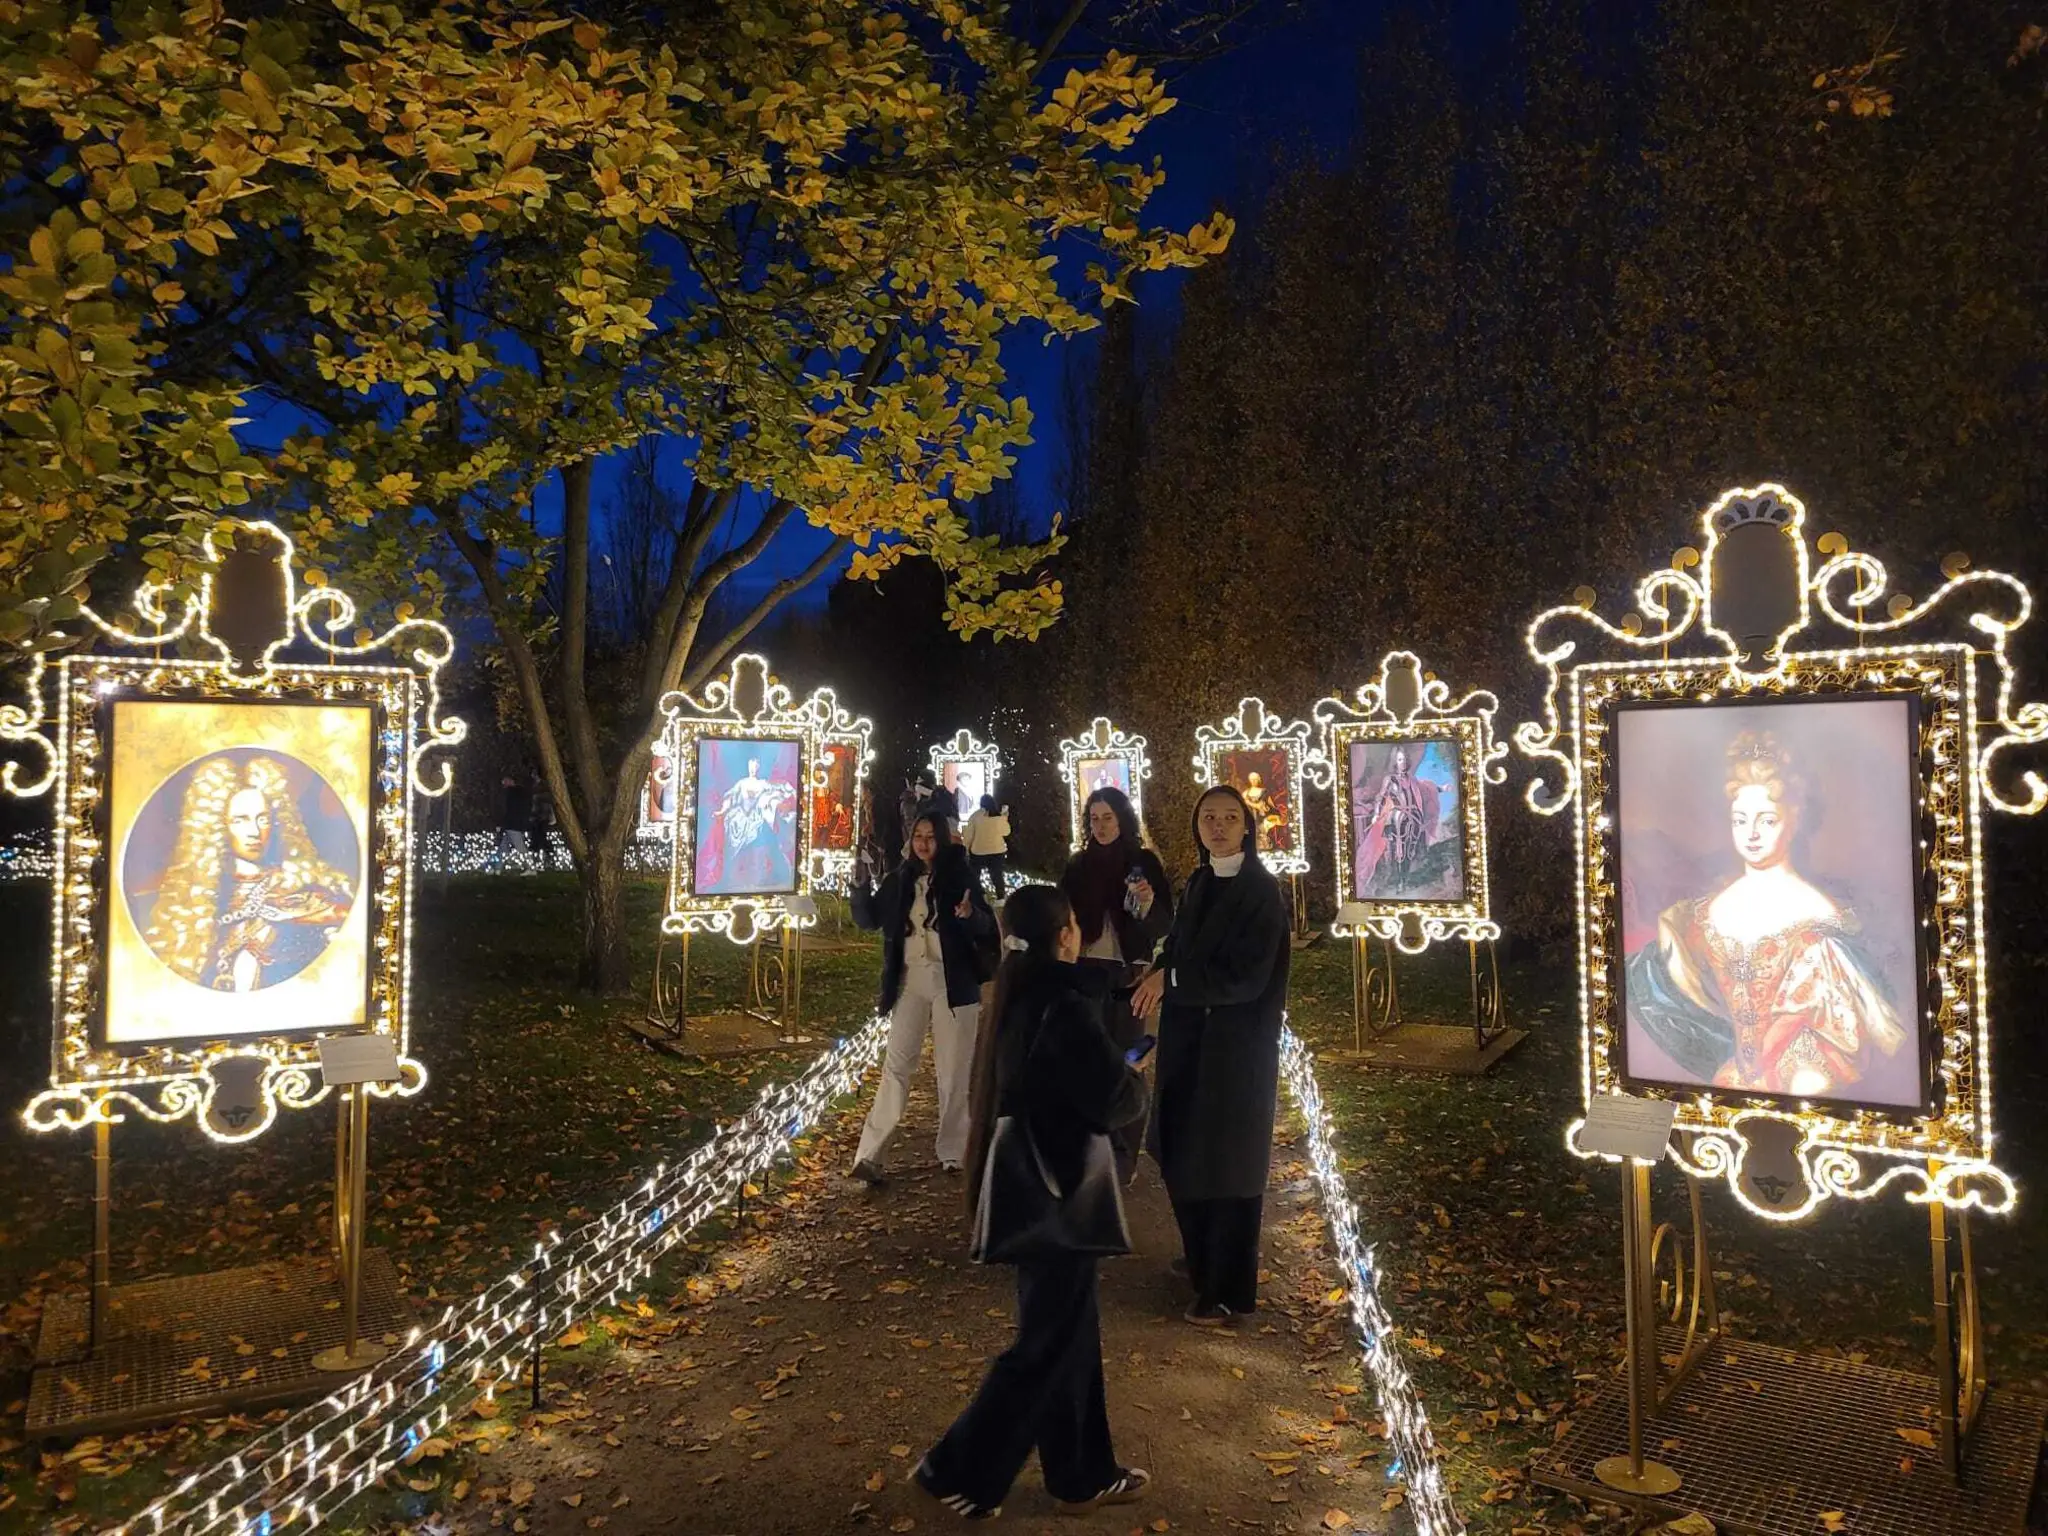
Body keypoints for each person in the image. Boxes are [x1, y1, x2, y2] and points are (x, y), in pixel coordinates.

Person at [913, 885, 1152, 1521]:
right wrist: (1133, 1078)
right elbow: (1111, 1099)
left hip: (1033, 1189)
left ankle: (1080, 1474)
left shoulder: (1016, 997)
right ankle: (956, 1468)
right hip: (1060, 1192)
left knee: (1070, 1336)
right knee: (1047, 1346)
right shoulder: (1063, 1006)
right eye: (1073, 925)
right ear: (1065, 936)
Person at [1625, 730, 1907, 1098]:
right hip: (1724, 1088)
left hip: (1800, 1092)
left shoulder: (1821, 921)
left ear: (1795, 819)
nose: (1751, 834)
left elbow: (1829, 1050)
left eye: (1767, 820)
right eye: (1740, 820)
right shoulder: (1702, 912)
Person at [1134, 784, 1291, 1327]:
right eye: (1208, 817)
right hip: (1189, 1043)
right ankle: (1201, 1258)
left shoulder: (1261, 892)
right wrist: (1160, 971)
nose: (1218, 827)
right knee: (1182, 1150)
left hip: (1235, 1053)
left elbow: (1246, 978)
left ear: (1247, 826)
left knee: (1227, 1167)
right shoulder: (1200, 881)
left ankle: (1225, 1290)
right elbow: (1179, 947)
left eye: (1229, 817)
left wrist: (1173, 980)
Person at [848, 814, 997, 1183]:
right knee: (896, 1065)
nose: (924, 843)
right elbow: (869, 920)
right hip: (911, 980)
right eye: (918, 836)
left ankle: (954, 1150)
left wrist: (969, 915)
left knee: (954, 1069)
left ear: (942, 841)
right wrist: (859, 887)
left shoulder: (961, 877)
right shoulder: (900, 879)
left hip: (954, 982)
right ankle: (870, 1154)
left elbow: (987, 927)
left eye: (931, 837)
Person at [142, 753, 355, 992]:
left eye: (263, 819)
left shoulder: (307, 896)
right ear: (218, 826)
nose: (254, 831)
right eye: (240, 820)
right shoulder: (193, 904)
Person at [1059, 787, 1172, 1182]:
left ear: (1122, 818)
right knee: (1087, 1059)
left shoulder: (1143, 863)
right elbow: (1062, 916)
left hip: (1128, 973)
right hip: (1086, 970)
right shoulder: (1078, 865)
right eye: (1094, 818)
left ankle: (1123, 1157)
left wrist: (1147, 903)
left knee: (1128, 1060)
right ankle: (1090, 1149)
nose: (1101, 826)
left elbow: (1164, 923)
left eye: (1108, 817)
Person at [964, 793, 1011, 903]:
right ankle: (1001, 898)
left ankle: (976, 896)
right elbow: (1007, 832)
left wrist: (966, 847)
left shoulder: (975, 816)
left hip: (978, 851)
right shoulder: (998, 816)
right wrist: (1005, 818)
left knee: (975, 875)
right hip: (997, 851)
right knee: (997, 875)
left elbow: (969, 835)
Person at [496, 774, 530, 867]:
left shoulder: (511, 794)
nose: (504, 784)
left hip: (512, 825)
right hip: (513, 824)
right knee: (503, 848)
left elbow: (507, 810)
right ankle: (497, 868)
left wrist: (501, 823)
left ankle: (530, 868)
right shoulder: (519, 793)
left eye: (505, 782)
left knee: (520, 847)